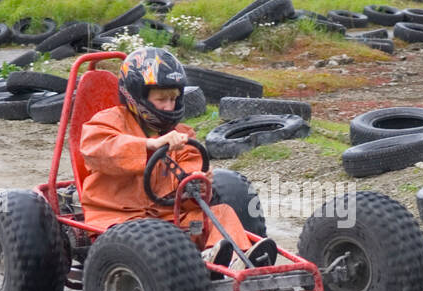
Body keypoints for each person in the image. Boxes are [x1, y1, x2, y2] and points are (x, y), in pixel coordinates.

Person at [77, 46, 276, 268]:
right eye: (161, 99)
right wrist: (149, 145)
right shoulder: (108, 122)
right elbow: (97, 151)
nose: (169, 106)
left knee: (222, 213)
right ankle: (207, 262)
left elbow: (190, 181)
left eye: (174, 98)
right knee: (158, 237)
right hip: (120, 220)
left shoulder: (182, 135)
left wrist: (197, 183)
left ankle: (236, 258)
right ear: (137, 96)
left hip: (167, 218)